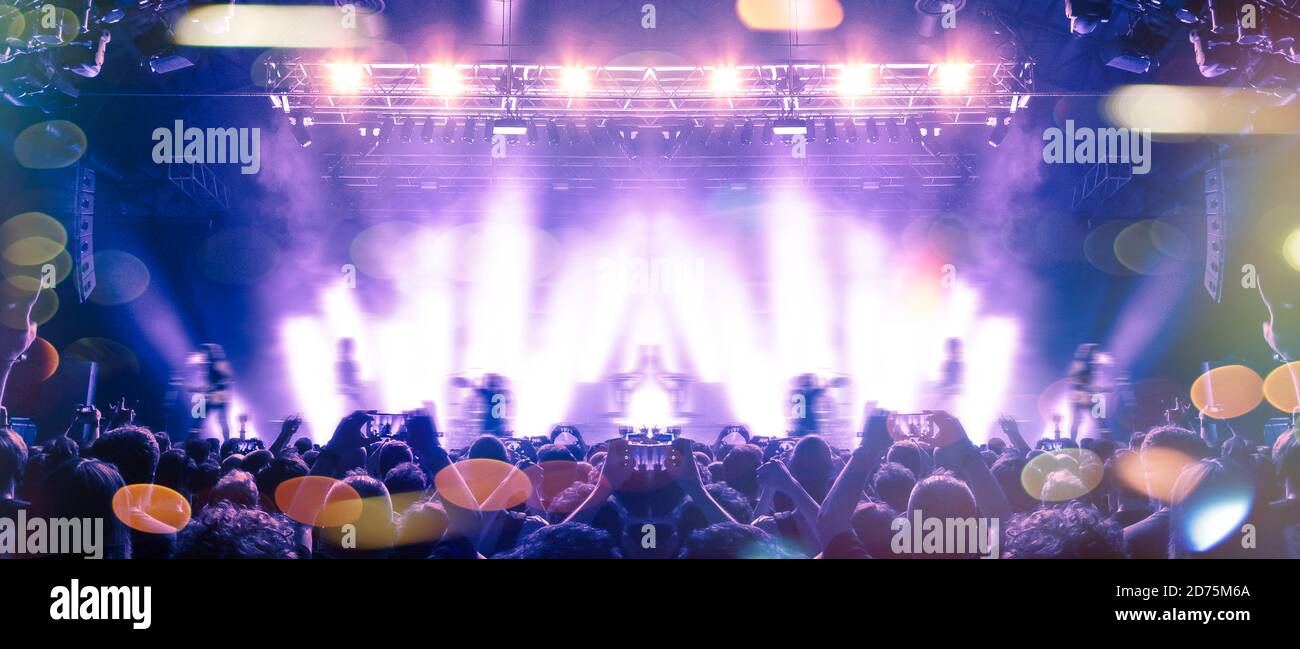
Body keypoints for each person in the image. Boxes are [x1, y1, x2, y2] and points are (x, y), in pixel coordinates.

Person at [187, 343, 234, 441]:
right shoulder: (209, 364)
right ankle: (192, 442)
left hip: (219, 397)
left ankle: (227, 443)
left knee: (221, 421)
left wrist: (203, 389)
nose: (204, 354)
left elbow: (226, 380)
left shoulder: (220, 364)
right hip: (211, 396)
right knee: (199, 419)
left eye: (206, 352)